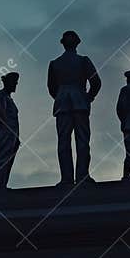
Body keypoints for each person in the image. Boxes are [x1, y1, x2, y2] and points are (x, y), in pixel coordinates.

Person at [48, 30, 101, 186]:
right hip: (80, 102)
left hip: (62, 103)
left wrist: (61, 97)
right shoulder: (83, 61)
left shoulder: (55, 63)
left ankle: (66, 179)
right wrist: (88, 97)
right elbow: (96, 82)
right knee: (82, 140)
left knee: (63, 142)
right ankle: (82, 176)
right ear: (77, 43)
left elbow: (51, 88)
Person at [0, 72, 20, 191]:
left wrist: (15, 136)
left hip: (12, 134)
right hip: (5, 132)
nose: (15, 85)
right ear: (8, 83)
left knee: (8, 159)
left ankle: (2, 185)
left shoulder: (9, 99)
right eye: (14, 83)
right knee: (2, 157)